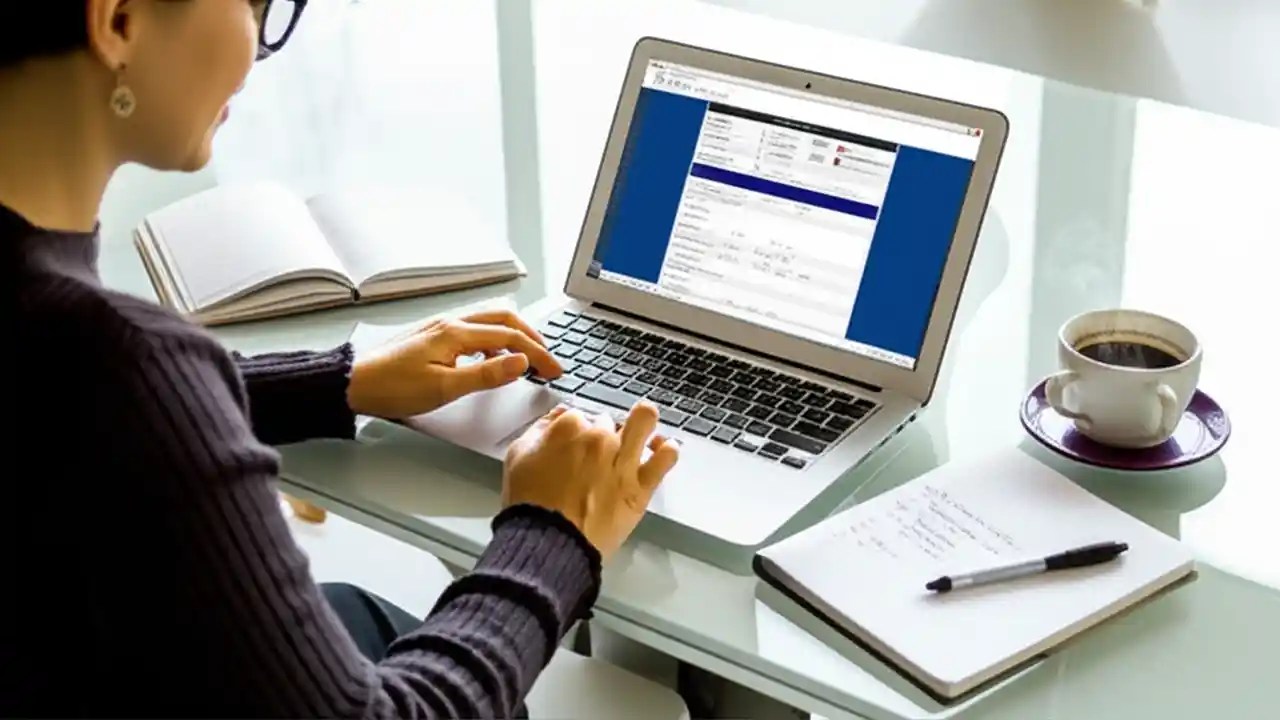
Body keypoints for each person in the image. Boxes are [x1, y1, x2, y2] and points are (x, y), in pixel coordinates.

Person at [2, 1, 680, 717]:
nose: (261, 50)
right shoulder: (120, 365)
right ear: (119, 21)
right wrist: (552, 531)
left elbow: (55, 402)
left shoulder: (79, 352)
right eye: (256, 6)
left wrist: (338, 381)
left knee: (358, 612)